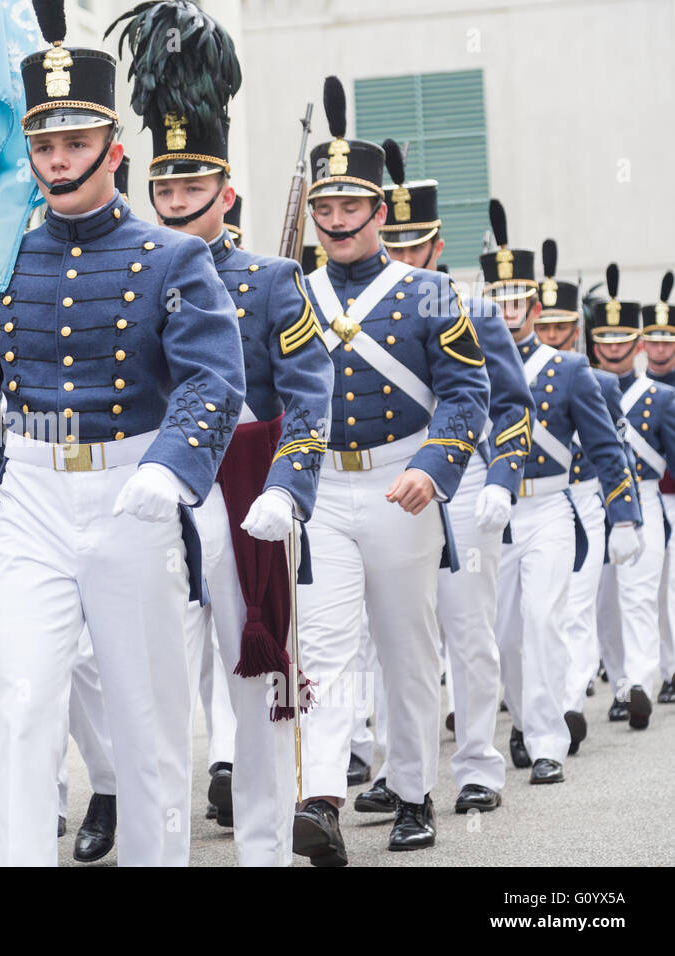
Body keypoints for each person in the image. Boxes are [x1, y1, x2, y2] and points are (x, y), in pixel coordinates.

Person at [0, 0, 244, 866]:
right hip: (29, 496)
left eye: (76, 142)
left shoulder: (171, 259)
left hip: (131, 495)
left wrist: (172, 470)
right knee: (21, 707)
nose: (57, 158)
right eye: (43, 143)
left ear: (114, 148)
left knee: (145, 722)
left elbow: (214, 383)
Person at [110, 0, 333, 866]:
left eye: (192, 188)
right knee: (155, 691)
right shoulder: (125, 272)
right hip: (150, 490)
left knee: (257, 698)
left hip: (246, 495)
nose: (174, 203)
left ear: (225, 191)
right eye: (163, 188)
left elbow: (310, 401)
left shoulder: (275, 280)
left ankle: (266, 854)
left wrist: (289, 485)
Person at [290, 77, 490, 867]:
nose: (337, 222)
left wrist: (436, 470)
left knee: (408, 647)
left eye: (352, 208)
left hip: (401, 487)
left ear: (381, 211)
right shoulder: (291, 290)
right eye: (326, 209)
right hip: (319, 492)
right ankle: (322, 799)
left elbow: (467, 393)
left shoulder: (434, 292)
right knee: (329, 647)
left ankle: (412, 791)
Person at [353, 157, 532, 817]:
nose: (404, 255)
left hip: (466, 484)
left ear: (438, 243)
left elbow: (512, 406)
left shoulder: (472, 309)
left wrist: (505, 481)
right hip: (394, 480)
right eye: (394, 243)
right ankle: (403, 770)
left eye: (414, 243)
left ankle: (479, 763)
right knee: (393, 634)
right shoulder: (355, 306)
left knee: (465, 626)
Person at [487, 216, 643, 787]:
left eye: (516, 298)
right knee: (504, 633)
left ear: (532, 303)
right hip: (494, 515)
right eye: (498, 298)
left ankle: (548, 739)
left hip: (551, 508)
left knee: (543, 619)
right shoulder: (471, 361)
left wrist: (625, 516)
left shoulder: (572, 369)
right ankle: (526, 721)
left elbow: (606, 450)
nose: (508, 309)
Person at [532, 242, 627, 737]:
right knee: (538, 612)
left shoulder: (602, 384)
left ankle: (568, 702)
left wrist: (624, 514)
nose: (551, 335)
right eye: (543, 325)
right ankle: (538, 704)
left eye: (560, 327)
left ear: (577, 329)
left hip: (584, 500)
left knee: (578, 605)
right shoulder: (515, 376)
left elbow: (613, 453)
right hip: (534, 500)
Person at [588, 264, 674, 731]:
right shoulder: (584, 387)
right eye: (607, 340)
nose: (615, 348)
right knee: (603, 603)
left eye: (623, 340)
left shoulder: (659, 397)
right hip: (592, 502)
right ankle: (619, 679)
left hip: (643, 500)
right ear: (596, 343)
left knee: (640, 595)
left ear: (637, 344)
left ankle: (638, 682)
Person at [639, 273, 675, 705]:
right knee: (650, 591)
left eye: (669, 338)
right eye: (655, 338)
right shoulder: (631, 390)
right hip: (647, 497)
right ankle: (663, 670)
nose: (662, 346)